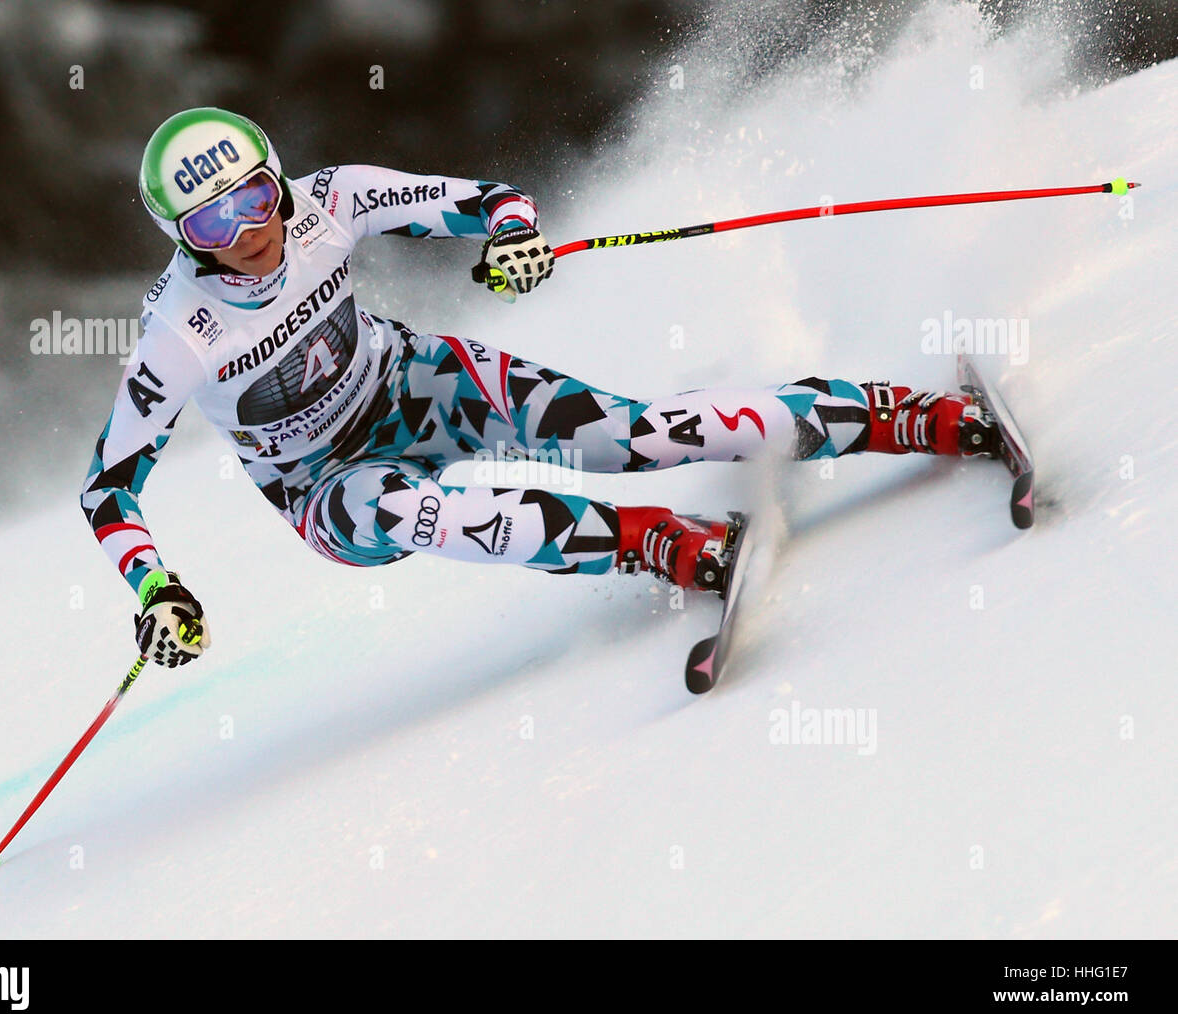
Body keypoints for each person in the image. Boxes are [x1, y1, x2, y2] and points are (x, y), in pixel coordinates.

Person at [82, 107, 997, 668]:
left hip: (412, 383)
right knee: (417, 512)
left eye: (253, 198)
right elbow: (108, 490)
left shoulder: (333, 198)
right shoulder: (178, 336)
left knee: (632, 437)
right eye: (211, 218)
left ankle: (915, 416)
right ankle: (666, 545)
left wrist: (514, 239)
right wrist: (157, 588)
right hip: (325, 487)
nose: (246, 230)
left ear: (276, 178)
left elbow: (487, 201)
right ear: (181, 234)